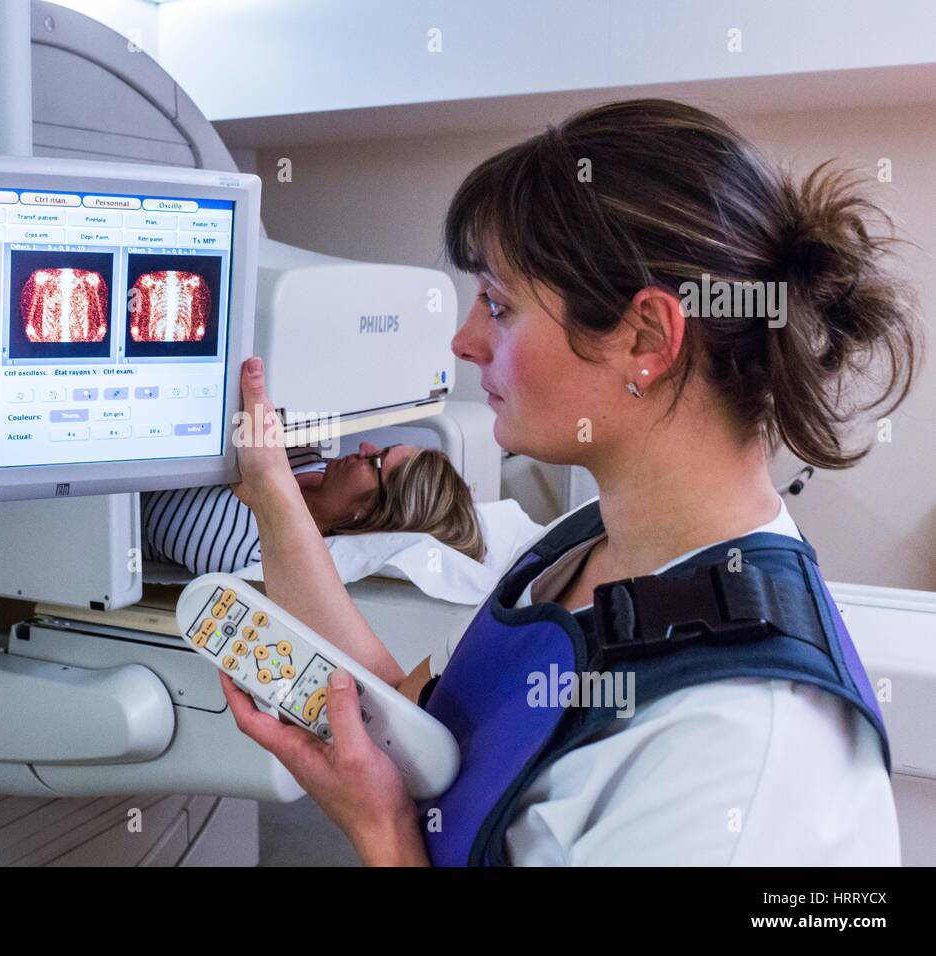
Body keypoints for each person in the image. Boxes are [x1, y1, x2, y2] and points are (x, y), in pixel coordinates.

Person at [219, 99, 920, 866]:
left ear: (647, 340)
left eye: (499, 304)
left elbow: (401, 803)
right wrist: (275, 496)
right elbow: (412, 722)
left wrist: (381, 833)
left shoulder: (743, 750)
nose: (464, 340)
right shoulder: (575, 547)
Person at [141, 443, 484, 575]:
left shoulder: (253, 551)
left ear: (369, 516)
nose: (365, 445)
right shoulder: (315, 461)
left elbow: (153, 509)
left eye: (375, 462)